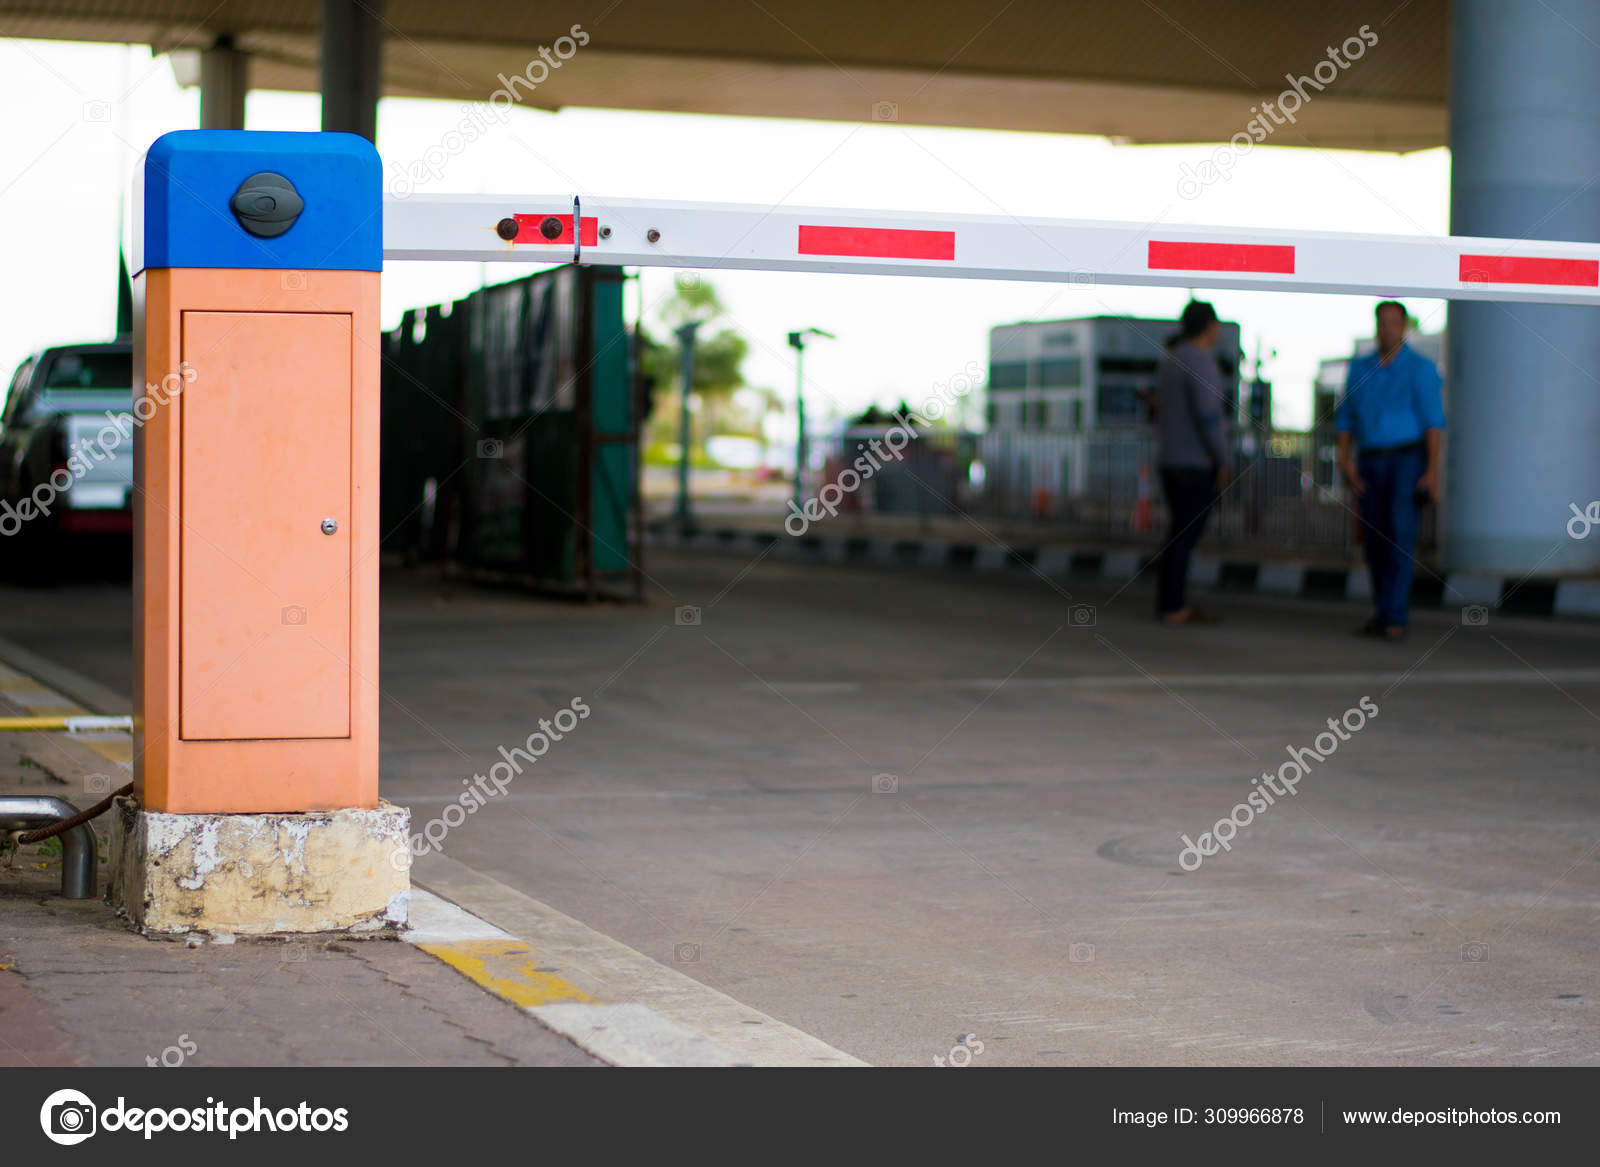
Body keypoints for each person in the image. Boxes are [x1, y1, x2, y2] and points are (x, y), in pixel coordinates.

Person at [1336, 300, 1445, 641]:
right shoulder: (1359, 368)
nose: (1388, 329)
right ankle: (1382, 612)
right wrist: (1344, 458)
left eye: (1394, 323)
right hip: (1369, 460)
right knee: (1373, 539)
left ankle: (1395, 616)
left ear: (1405, 326)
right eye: (1382, 323)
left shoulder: (1421, 369)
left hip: (1406, 460)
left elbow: (1433, 424)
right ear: (1376, 326)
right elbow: (1345, 418)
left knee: (1400, 535)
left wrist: (1432, 471)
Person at [1153, 300, 1231, 626]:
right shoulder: (1199, 360)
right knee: (1185, 536)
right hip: (1194, 463)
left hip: (1169, 459)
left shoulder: (1170, 361)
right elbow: (1208, 415)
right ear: (1210, 326)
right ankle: (1174, 607)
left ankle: (1169, 602)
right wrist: (1224, 459)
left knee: (1176, 533)